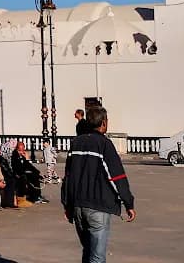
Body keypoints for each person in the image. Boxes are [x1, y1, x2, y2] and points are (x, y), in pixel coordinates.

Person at [62, 106, 136, 263]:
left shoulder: (76, 143)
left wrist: (67, 204)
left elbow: (68, 176)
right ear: (104, 123)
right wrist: (128, 202)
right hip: (98, 207)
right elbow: (116, 177)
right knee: (97, 257)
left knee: (88, 251)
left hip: (78, 206)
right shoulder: (104, 144)